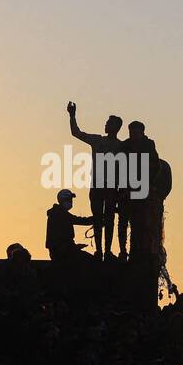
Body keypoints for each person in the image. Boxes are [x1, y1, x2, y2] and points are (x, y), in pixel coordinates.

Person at [67, 101, 122, 261]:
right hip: (99, 186)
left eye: (108, 124)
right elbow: (76, 132)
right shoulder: (100, 141)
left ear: (114, 127)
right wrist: (72, 115)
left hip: (110, 187)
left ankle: (106, 251)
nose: (105, 125)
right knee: (100, 218)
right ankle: (100, 250)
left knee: (107, 219)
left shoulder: (119, 146)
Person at [119, 120, 159, 260]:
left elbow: (155, 164)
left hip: (142, 188)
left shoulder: (148, 144)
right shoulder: (125, 145)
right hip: (127, 189)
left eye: (135, 132)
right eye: (131, 132)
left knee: (140, 222)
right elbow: (119, 167)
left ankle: (139, 250)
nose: (133, 135)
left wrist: (148, 182)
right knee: (123, 221)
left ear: (142, 132)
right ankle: (123, 251)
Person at [46, 189, 94, 263]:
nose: (71, 202)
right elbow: (80, 221)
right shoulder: (60, 214)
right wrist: (97, 218)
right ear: (62, 200)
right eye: (69, 200)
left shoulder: (57, 213)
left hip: (60, 251)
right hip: (62, 253)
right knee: (91, 261)